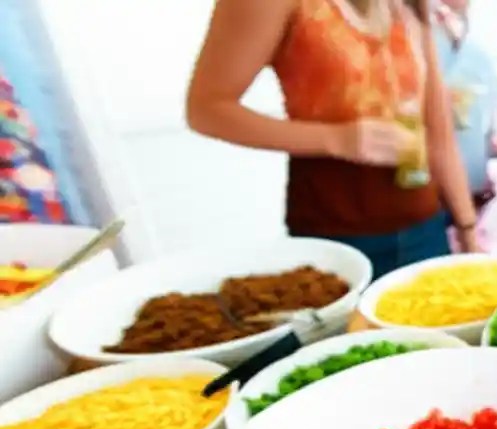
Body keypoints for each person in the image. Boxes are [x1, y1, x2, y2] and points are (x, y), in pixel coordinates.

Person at [187, 0, 478, 279]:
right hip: (337, 239)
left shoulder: (411, 5)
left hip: (427, 232)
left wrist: (467, 228)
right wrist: (335, 139)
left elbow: (438, 134)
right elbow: (205, 109)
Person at [431, 0, 497, 247]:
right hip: (424, 196)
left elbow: (488, 128)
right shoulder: (412, 30)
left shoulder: (480, 50)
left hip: (471, 195)